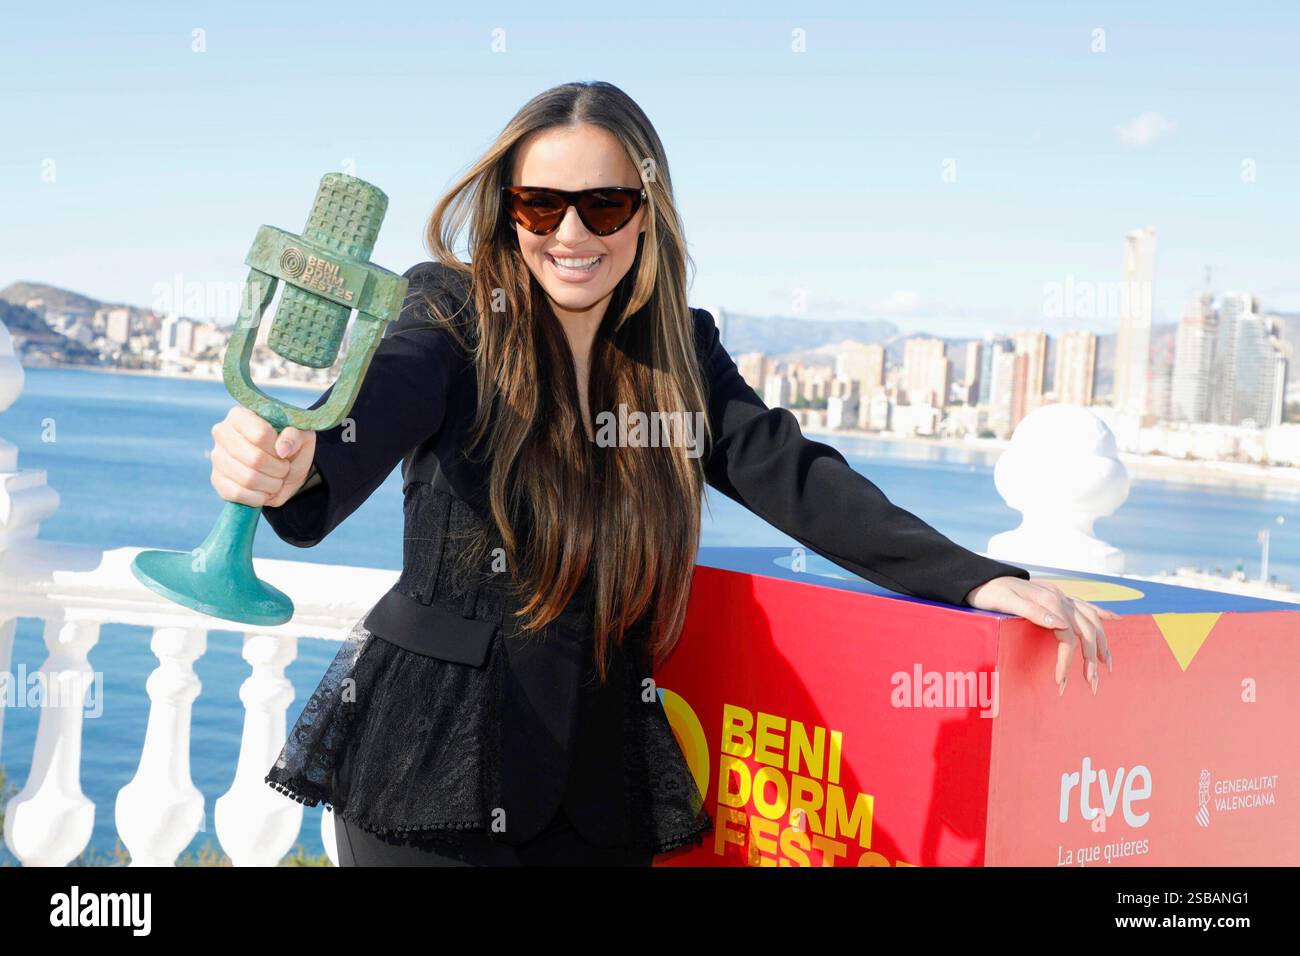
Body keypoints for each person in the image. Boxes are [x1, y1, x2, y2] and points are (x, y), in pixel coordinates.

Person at [208, 81, 1118, 867]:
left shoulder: (679, 349)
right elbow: (373, 407)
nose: (571, 233)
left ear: (645, 211)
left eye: (603, 205)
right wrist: (291, 467)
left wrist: (979, 577)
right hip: (433, 757)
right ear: (507, 209)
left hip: (604, 775)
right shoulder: (449, 312)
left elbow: (792, 473)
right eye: (540, 206)